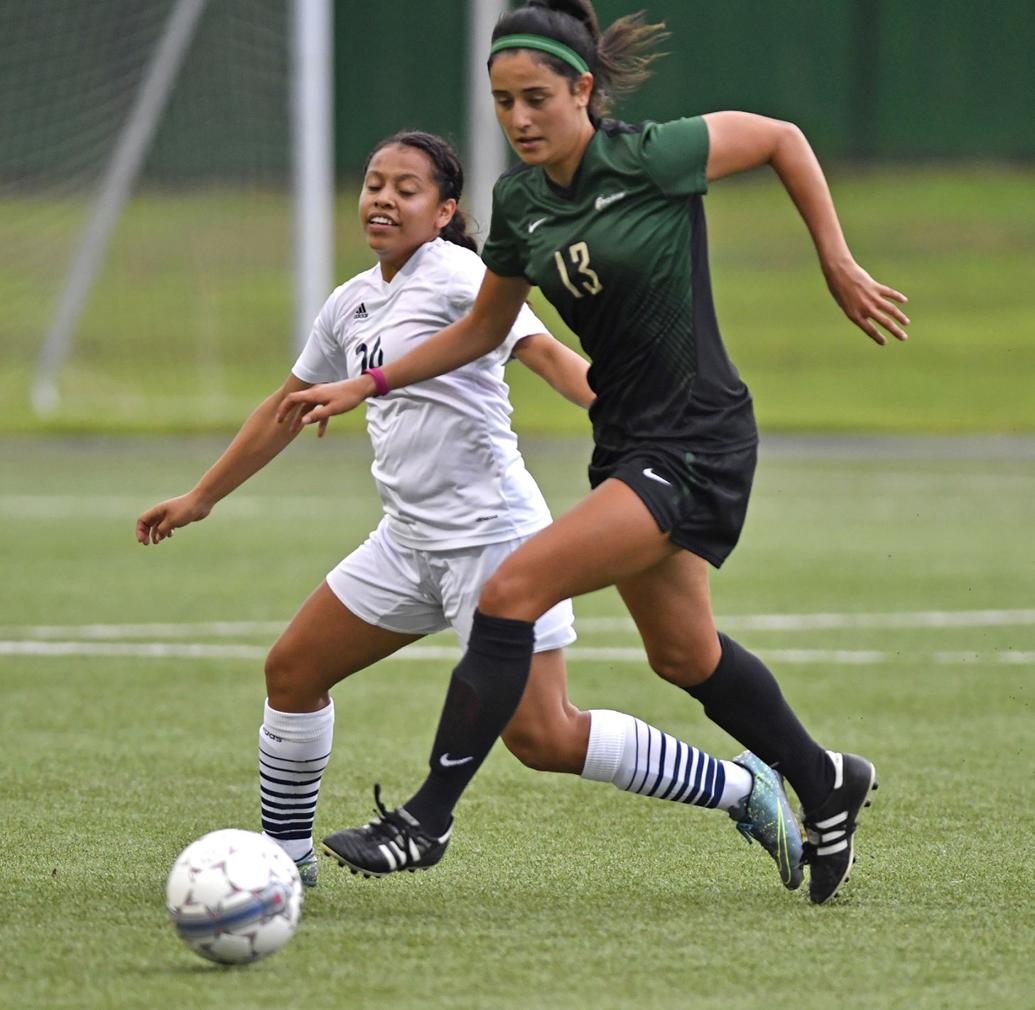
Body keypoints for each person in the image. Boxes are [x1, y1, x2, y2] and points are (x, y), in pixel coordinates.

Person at [279, 1, 906, 905]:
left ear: (582, 91)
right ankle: (822, 782)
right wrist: (366, 383)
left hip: (697, 436)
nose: (519, 118)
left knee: (512, 591)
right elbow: (482, 331)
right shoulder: (522, 201)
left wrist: (835, 261)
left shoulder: (652, 156)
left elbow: (780, 137)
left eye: (536, 97)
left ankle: (427, 818)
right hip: (629, 441)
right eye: (502, 102)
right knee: (683, 655)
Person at [136, 129, 804, 892]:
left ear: (445, 208)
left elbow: (547, 355)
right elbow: (283, 407)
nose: (382, 198)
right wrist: (201, 498)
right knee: (291, 672)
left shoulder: (460, 273)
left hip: (493, 538)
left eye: (405, 188)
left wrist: (651, 431)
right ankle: (282, 866)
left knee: (545, 737)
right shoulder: (351, 302)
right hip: (407, 541)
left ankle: (742, 789)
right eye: (372, 183)